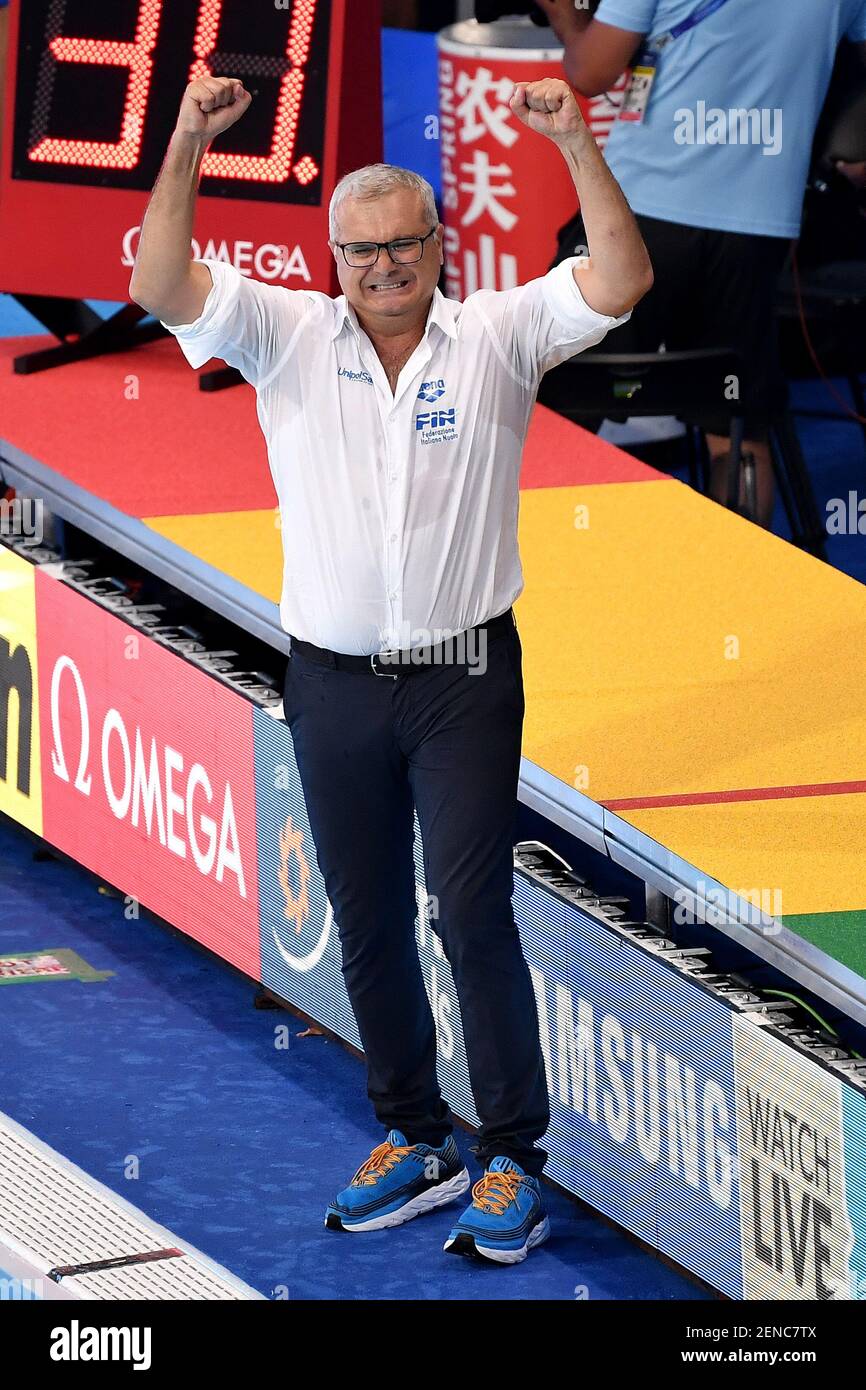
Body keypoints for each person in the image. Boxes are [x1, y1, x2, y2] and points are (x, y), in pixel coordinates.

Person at [129, 73, 651, 1265]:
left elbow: (619, 280)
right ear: (333, 255)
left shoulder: (500, 334)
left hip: (464, 678)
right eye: (359, 249)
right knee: (366, 919)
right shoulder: (283, 333)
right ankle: (415, 1138)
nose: (381, 266)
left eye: (403, 243)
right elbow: (157, 285)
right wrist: (184, 146)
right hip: (331, 681)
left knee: (467, 908)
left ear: (435, 244)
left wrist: (573, 139)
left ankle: (512, 1156)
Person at [537, 0, 866, 527]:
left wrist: (563, 14)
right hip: (759, 226)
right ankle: (735, 592)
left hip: (635, 211)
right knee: (736, 425)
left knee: (557, 402)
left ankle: (549, 580)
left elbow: (590, 72)